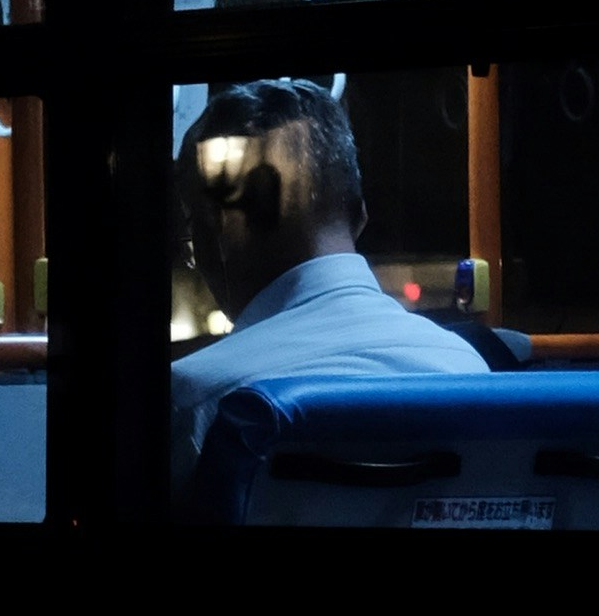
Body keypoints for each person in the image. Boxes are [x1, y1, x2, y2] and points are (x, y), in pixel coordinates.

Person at [170, 78, 478, 495]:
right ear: (361, 217)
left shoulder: (194, 399)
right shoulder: (465, 368)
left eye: (194, 237)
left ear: (218, 235)